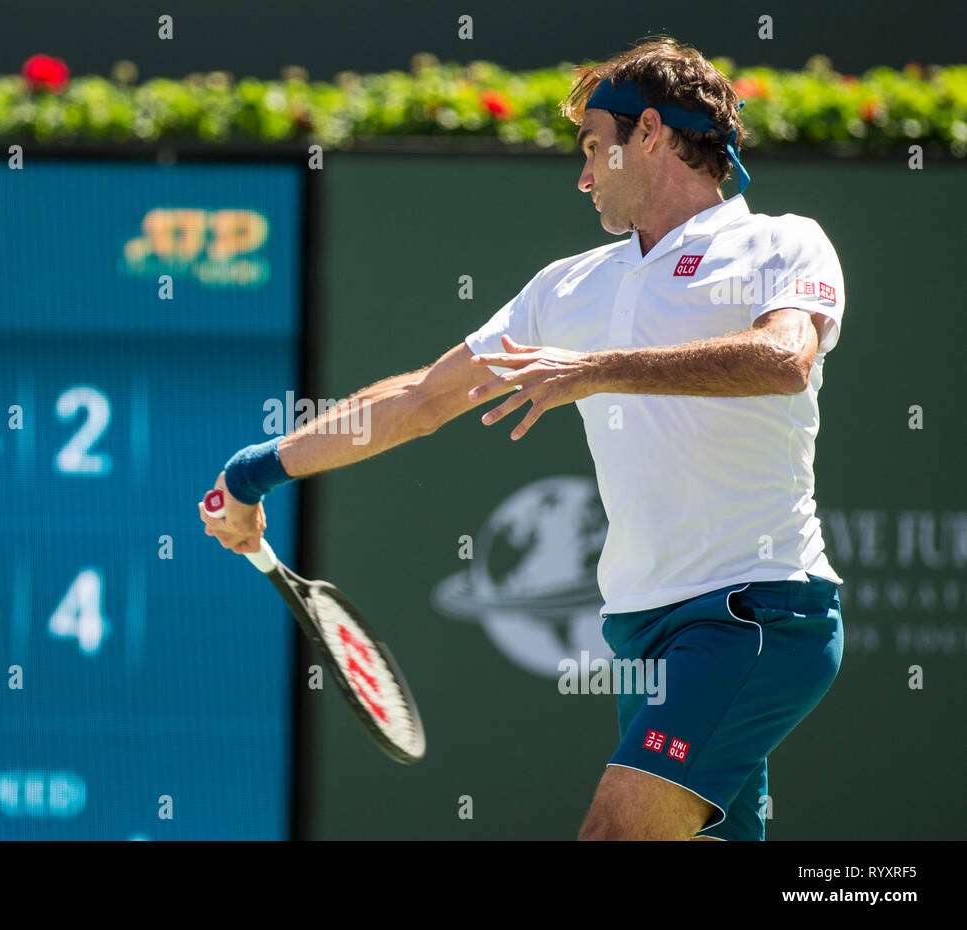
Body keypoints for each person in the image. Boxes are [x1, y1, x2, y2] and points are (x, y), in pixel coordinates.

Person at [199, 36, 845, 841]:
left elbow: (785, 360)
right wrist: (256, 470)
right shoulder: (568, 285)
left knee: (614, 833)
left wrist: (597, 369)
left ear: (650, 133)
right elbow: (421, 399)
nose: (582, 176)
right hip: (641, 632)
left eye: (592, 148)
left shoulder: (783, 242)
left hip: (754, 611)